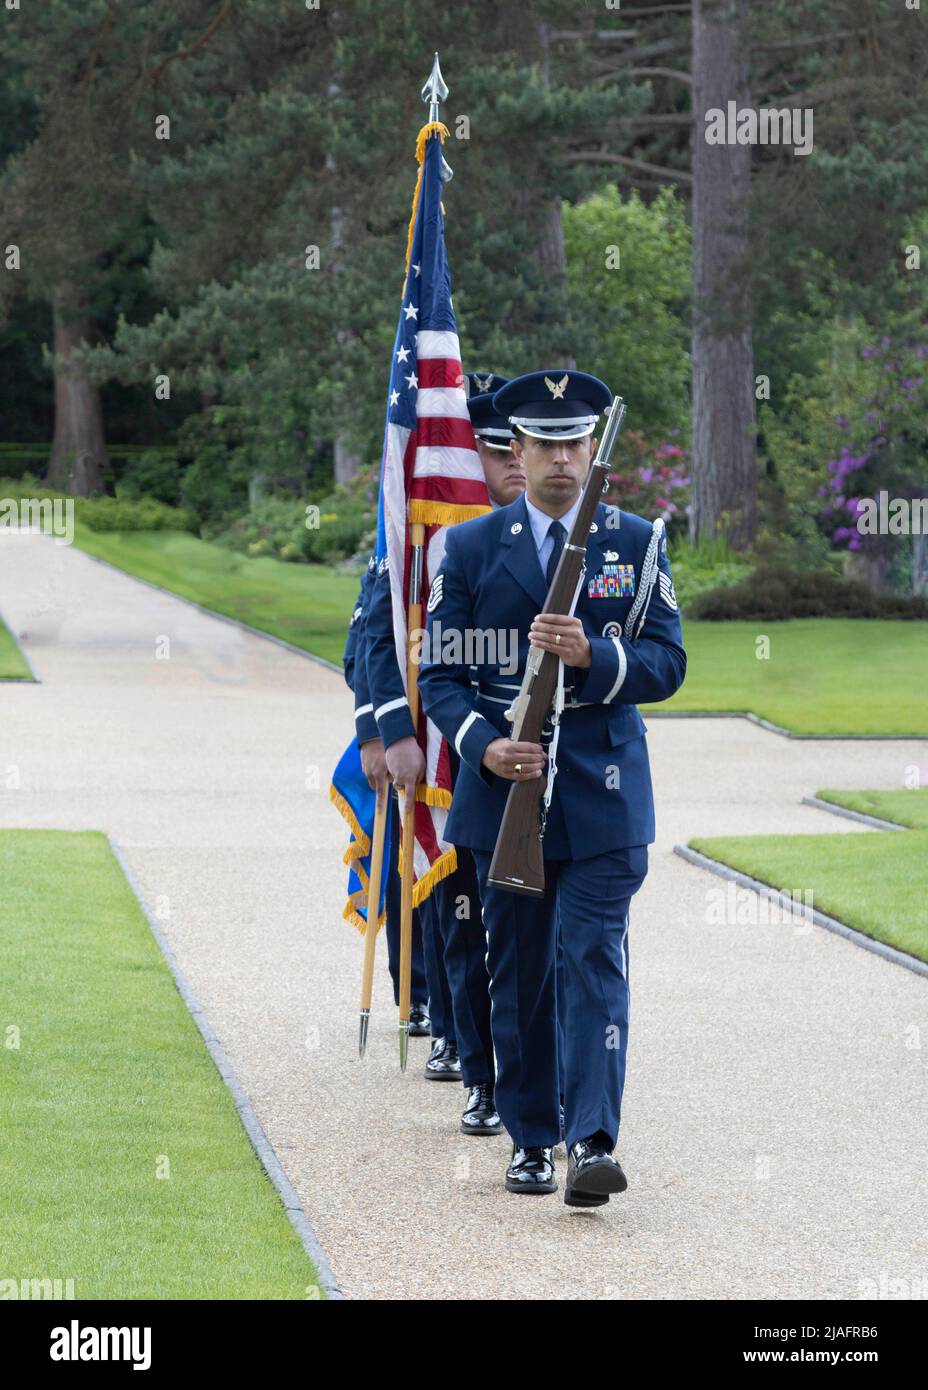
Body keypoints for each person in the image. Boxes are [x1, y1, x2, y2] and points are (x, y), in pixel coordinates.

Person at [418, 369, 686, 1207]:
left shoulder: (635, 544)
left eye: (576, 443)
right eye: (546, 444)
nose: (564, 460)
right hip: (504, 803)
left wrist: (594, 659)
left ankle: (592, 1140)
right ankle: (533, 1137)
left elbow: (667, 663)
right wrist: (484, 746)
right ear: (517, 450)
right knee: (521, 968)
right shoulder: (465, 549)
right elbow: (442, 675)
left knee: (591, 961)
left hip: (604, 805)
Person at [344, 555, 430, 1036]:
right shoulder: (398, 551)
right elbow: (362, 653)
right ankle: (414, 993)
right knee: (408, 862)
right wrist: (373, 734)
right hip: (404, 741)